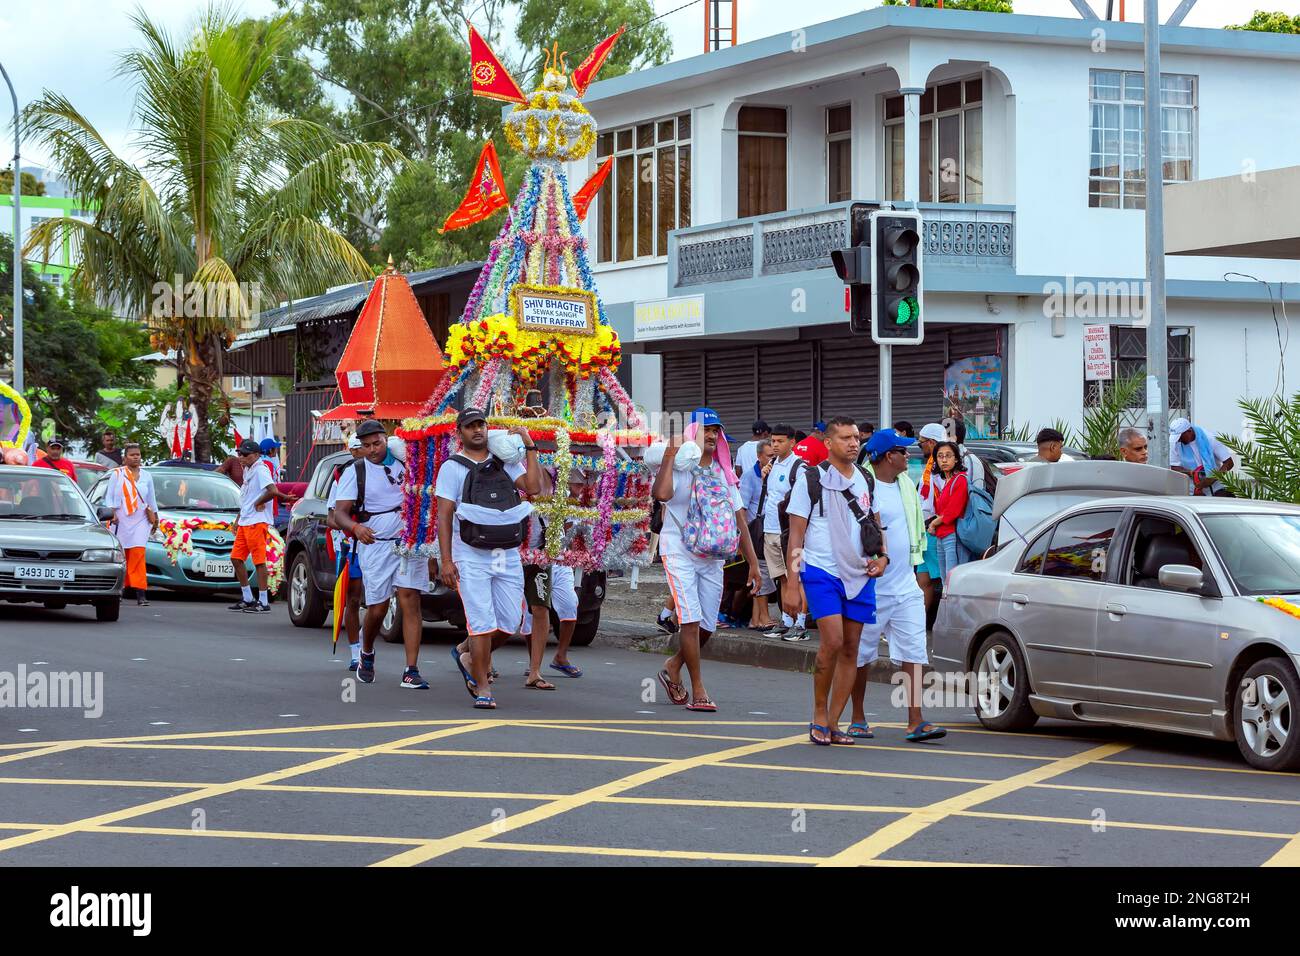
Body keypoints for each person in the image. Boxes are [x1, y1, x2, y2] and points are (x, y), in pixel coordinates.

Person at [783, 417, 886, 746]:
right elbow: (796, 535)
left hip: (859, 573)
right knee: (833, 641)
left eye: (856, 438)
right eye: (845, 438)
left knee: (852, 648)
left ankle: (836, 721)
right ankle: (818, 713)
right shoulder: (811, 480)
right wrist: (791, 581)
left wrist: (883, 558)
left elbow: (875, 525)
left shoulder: (866, 479)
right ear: (828, 443)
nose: (853, 443)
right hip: (821, 571)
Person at [653, 408, 762, 712]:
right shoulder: (680, 465)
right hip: (678, 552)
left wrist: (753, 563)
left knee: (707, 627)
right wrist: (669, 457)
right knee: (688, 619)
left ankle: (673, 666)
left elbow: (739, 518)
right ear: (692, 434)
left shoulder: (723, 471)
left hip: (712, 557)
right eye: (706, 430)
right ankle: (699, 688)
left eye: (717, 431)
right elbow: (661, 494)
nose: (712, 436)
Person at [437, 409, 541, 709]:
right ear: (461, 433)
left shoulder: (505, 461)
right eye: (470, 427)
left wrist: (529, 445)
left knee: (510, 621)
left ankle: (467, 653)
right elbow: (444, 515)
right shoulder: (452, 467)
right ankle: (482, 686)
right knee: (481, 621)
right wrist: (446, 560)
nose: (477, 431)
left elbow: (533, 488)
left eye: (481, 424)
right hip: (469, 554)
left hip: (505, 552)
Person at [851, 428, 946, 742]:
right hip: (870, 586)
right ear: (888, 456)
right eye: (903, 451)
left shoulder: (906, 483)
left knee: (916, 651)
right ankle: (857, 717)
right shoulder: (860, 484)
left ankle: (916, 720)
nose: (909, 455)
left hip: (904, 583)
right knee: (861, 655)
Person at [333, 421, 432, 688]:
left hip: (409, 541)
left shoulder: (405, 462)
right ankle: (366, 651)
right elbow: (338, 513)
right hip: (375, 545)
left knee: (411, 599)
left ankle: (411, 670)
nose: (372, 449)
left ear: (386, 439)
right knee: (378, 608)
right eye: (366, 446)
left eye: (377, 443)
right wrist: (356, 527)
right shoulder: (356, 471)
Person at [519, 467, 584, 689]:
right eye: (578, 483)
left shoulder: (566, 497)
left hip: (556, 558)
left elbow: (570, 528)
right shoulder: (521, 484)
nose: (580, 488)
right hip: (528, 556)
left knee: (567, 605)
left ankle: (559, 657)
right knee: (532, 612)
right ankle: (532, 666)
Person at [228, 439, 294, 614]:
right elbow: (246, 498)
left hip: (257, 522)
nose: (241, 457)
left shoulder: (260, 469)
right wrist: (238, 519)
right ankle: (248, 597)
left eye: (245, 454)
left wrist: (260, 502)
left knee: (259, 562)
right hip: (245, 521)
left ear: (256, 455)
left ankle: (263, 601)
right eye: (239, 453)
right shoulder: (248, 470)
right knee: (236, 558)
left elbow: (271, 490)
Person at [758, 423, 808, 640]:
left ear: (792, 442)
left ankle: (801, 623)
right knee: (782, 578)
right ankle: (786, 621)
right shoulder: (771, 465)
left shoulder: (800, 467)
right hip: (770, 529)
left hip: (790, 533)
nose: (775, 445)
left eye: (780, 441)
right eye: (773, 441)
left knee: (797, 578)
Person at [325, 435, 367, 670]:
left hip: (378, 547)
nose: (367, 452)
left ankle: (367, 649)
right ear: (352, 451)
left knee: (378, 602)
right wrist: (353, 527)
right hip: (350, 548)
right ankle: (355, 653)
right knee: (352, 600)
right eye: (361, 448)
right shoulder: (343, 477)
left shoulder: (386, 473)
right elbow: (332, 518)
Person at [103, 443, 158, 607]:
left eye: (138, 454)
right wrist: (112, 514)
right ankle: (120, 589)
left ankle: (141, 593)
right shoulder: (117, 474)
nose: (136, 457)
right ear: (125, 458)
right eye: (132, 455)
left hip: (140, 519)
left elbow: (151, 499)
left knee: (138, 553)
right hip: (120, 519)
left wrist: (155, 517)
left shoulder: (147, 476)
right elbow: (110, 498)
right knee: (122, 555)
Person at [739, 439, 777, 630]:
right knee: (762, 574)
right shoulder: (749, 477)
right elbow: (742, 509)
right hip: (756, 533)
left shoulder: (776, 474)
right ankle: (763, 616)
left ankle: (756, 619)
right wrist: (744, 538)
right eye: (769, 456)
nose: (773, 459)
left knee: (762, 574)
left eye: (774, 455)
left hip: (770, 530)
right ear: (759, 456)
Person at [914, 423, 947, 617]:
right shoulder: (930, 465)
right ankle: (919, 623)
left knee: (943, 582)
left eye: (921, 444)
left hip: (937, 529)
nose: (921, 448)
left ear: (932, 443)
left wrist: (935, 521)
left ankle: (943, 626)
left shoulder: (942, 466)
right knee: (923, 581)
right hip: (925, 531)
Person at [928, 441, 971, 586]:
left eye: (948, 456)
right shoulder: (947, 481)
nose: (944, 460)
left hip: (953, 536)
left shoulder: (960, 479)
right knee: (944, 580)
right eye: (940, 456)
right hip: (942, 535)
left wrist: (934, 523)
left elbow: (952, 512)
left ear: (956, 459)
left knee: (952, 582)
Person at [1169, 417, 1235, 496]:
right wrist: (1192, 473)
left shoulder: (1210, 438)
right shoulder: (1176, 443)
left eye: (1180, 437)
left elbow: (1229, 463)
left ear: (1189, 431)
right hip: (1192, 490)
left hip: (1217, 487)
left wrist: (1213, 477)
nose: (1179, 440)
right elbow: (1174, 467)